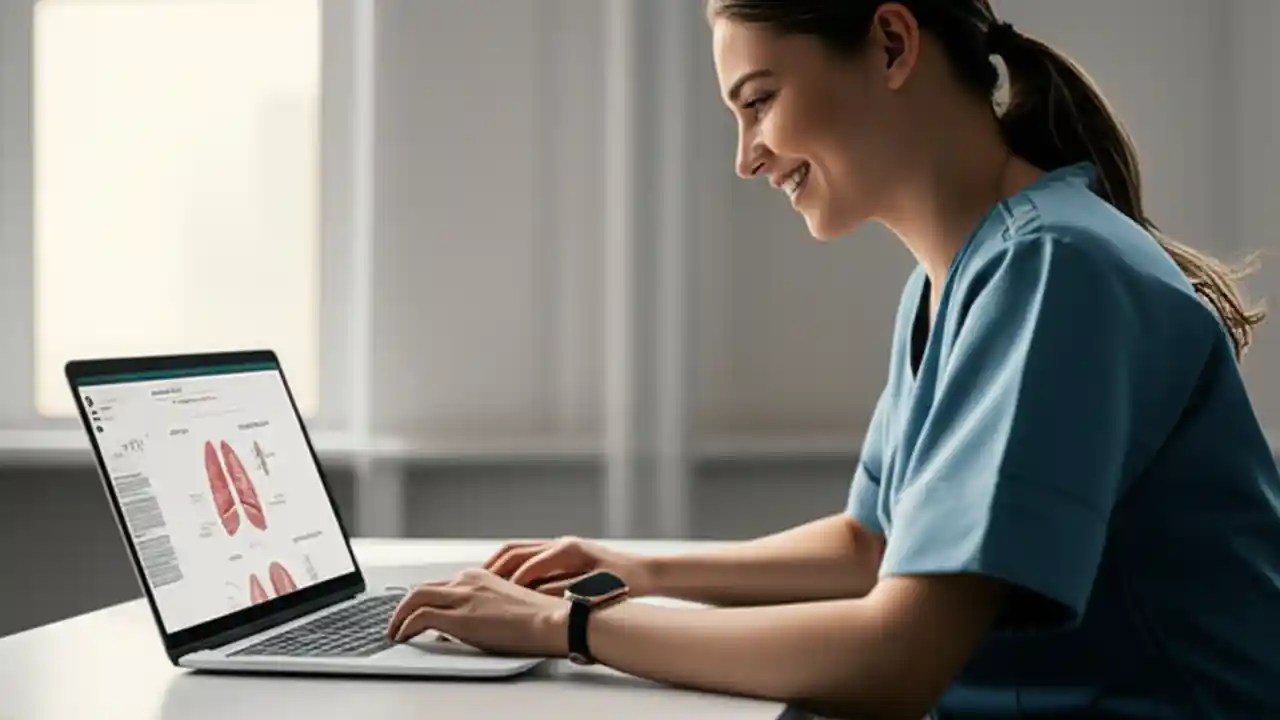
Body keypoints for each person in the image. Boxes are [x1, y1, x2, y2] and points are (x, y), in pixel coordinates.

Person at [387, 2, 1280, 717]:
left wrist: (569, 627)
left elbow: (896, 659)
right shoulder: (965, 271)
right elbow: (875, 542)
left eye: (759, 100)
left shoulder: (1053, 268)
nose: (745, 158)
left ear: (891, 44)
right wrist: (642, 567)